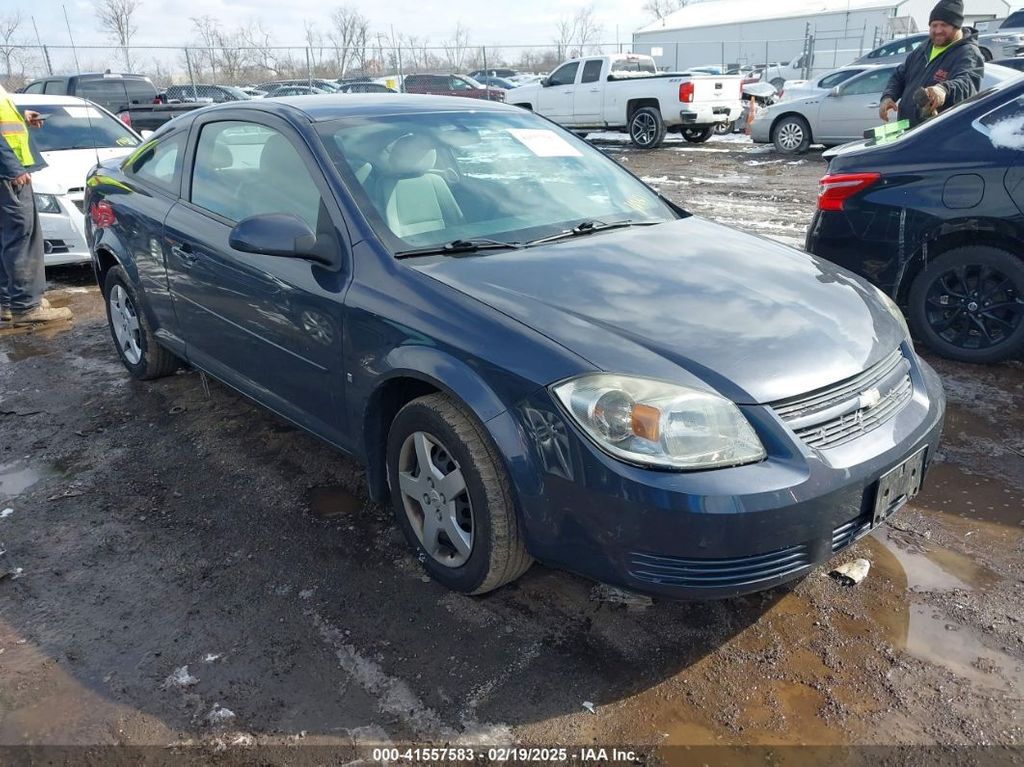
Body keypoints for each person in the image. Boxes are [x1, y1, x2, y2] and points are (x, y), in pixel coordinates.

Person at [0, 82, 73, 326]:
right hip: (8, 176)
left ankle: (8, 302)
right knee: (22, 237)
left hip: (6, 174)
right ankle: (26, 306)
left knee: (7, 237)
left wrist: (23, 116)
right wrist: (11, 167)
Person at [879, 0, 984, 128]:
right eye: (934, 25)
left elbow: (967, 83)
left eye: (943, 25)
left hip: (936, 134)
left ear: (956, 26)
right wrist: (888, 96)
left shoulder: (968, 52)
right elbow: (900, 75)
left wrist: (943, 89)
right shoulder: (924, 48)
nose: (938, 30)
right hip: (907, 131)